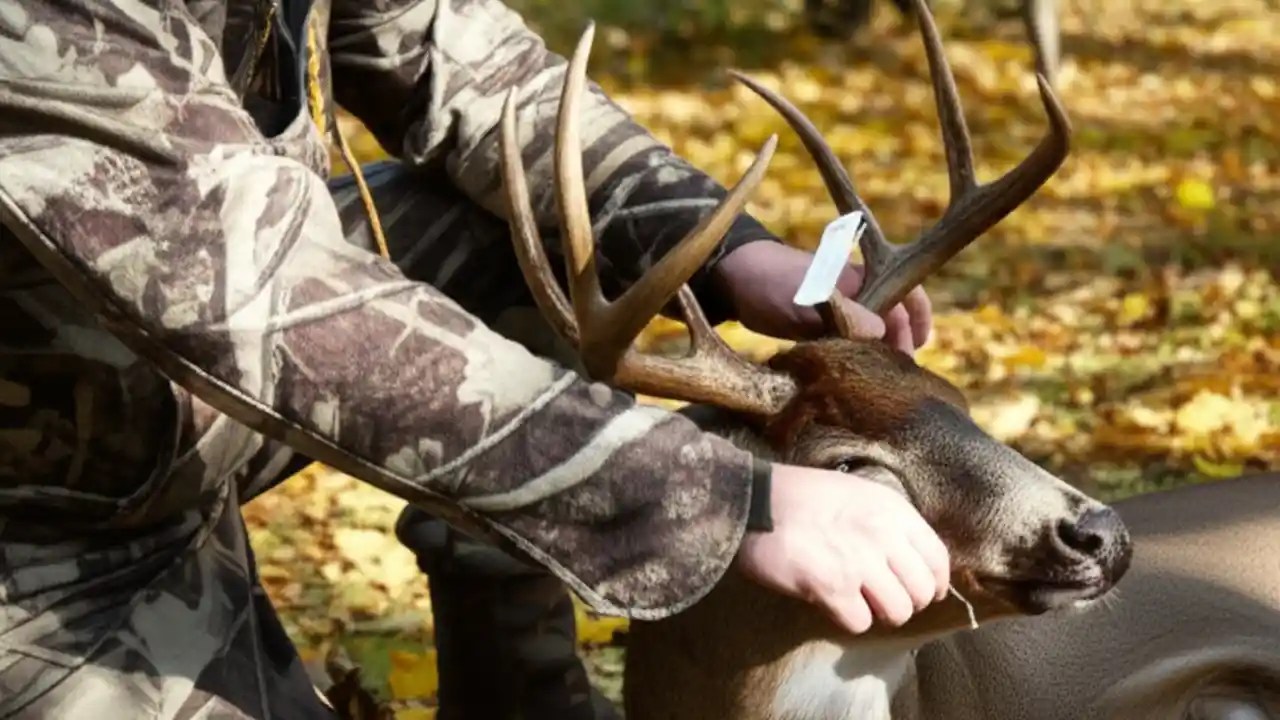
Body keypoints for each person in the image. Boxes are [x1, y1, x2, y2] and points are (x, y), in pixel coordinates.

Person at [0, 1, 949, 718]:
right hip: (41, 543)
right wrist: (711, 497)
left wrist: (725, 244)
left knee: (537, 243)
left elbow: (466, 65)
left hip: (135, 420)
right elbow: (257, 298)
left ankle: (516, 692)